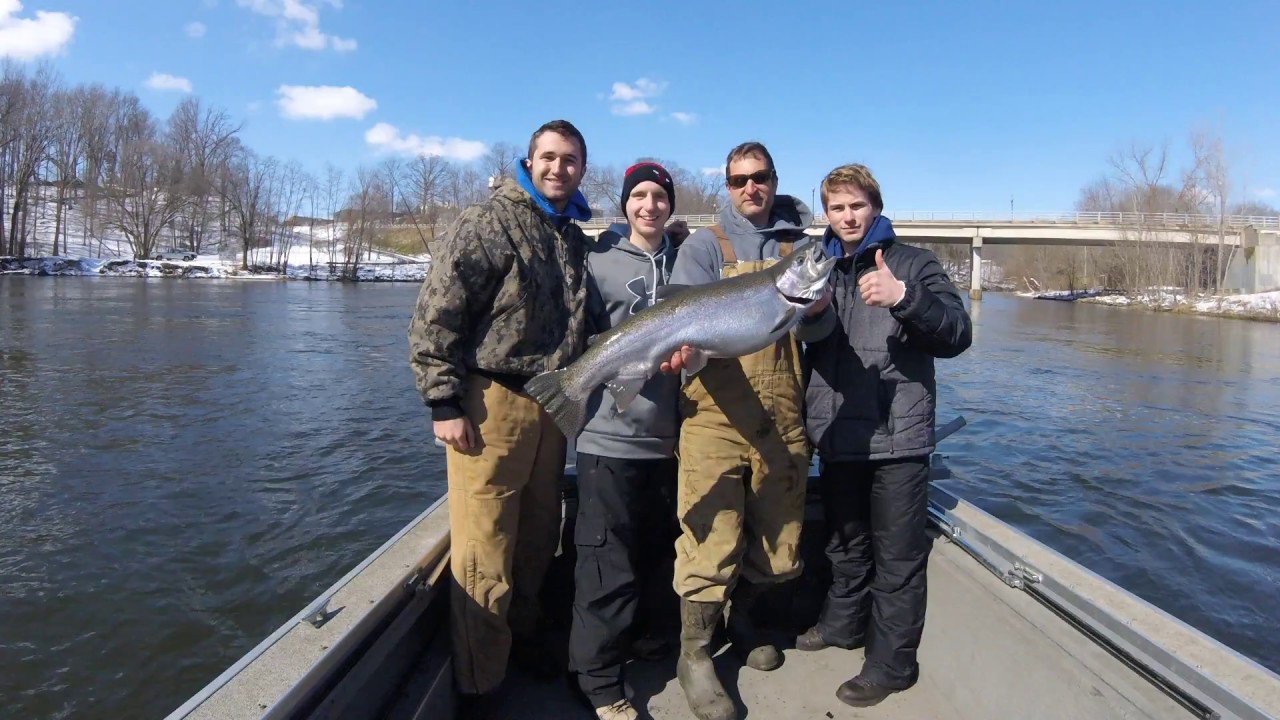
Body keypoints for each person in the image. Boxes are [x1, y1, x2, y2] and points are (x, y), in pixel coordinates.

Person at [407, 119, 593, 702]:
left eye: (570, 160)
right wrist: (443, 401)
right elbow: (437, 314)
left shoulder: (572, 236)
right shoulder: (487, 220)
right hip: (491, 402)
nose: (558, 168)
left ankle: (525, 637)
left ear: (581, 170)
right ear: (529, 161)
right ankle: (481, 682)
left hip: (554, 400)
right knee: (485, 545)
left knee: (538, 532)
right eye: (549, 157)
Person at [660, 141, 831, 720]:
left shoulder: (800, 249)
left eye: (759, 177)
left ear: (774, 180)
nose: (750, 188)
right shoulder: (705, 246)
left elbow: (816, 335)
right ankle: (695, 653)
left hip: (782, 412)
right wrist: (683, 355)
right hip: (712, 414)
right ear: (727, 186)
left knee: (779, 538)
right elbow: (683, 327)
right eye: (738, 180)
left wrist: (817, 313)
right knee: (710, 536)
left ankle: (747, 622)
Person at [795, 163, 972, 707]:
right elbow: (802, 338)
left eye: (857, 205)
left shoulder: (914, 263)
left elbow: (957, 333)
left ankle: (893, 665)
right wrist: (809, 315)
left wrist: (903, 297)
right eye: (837, 207)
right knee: (844, 544)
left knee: (897, 558)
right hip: (837, 431)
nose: (848, 217)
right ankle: (842, 625)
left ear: (875, 206)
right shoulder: (815, 266)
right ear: (826, 213)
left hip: (899, 436)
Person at [568, 162, 684, 720]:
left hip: (671, 442)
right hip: (608, 438)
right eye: (638, 195)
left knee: (658, 554)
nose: (649, 205)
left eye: (659, 195)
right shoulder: (598, 260)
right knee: (605, 565)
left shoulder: (688, 261)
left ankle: (646, 639)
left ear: (670, 204)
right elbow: (577, 336)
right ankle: (598, 681)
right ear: (624, 204)